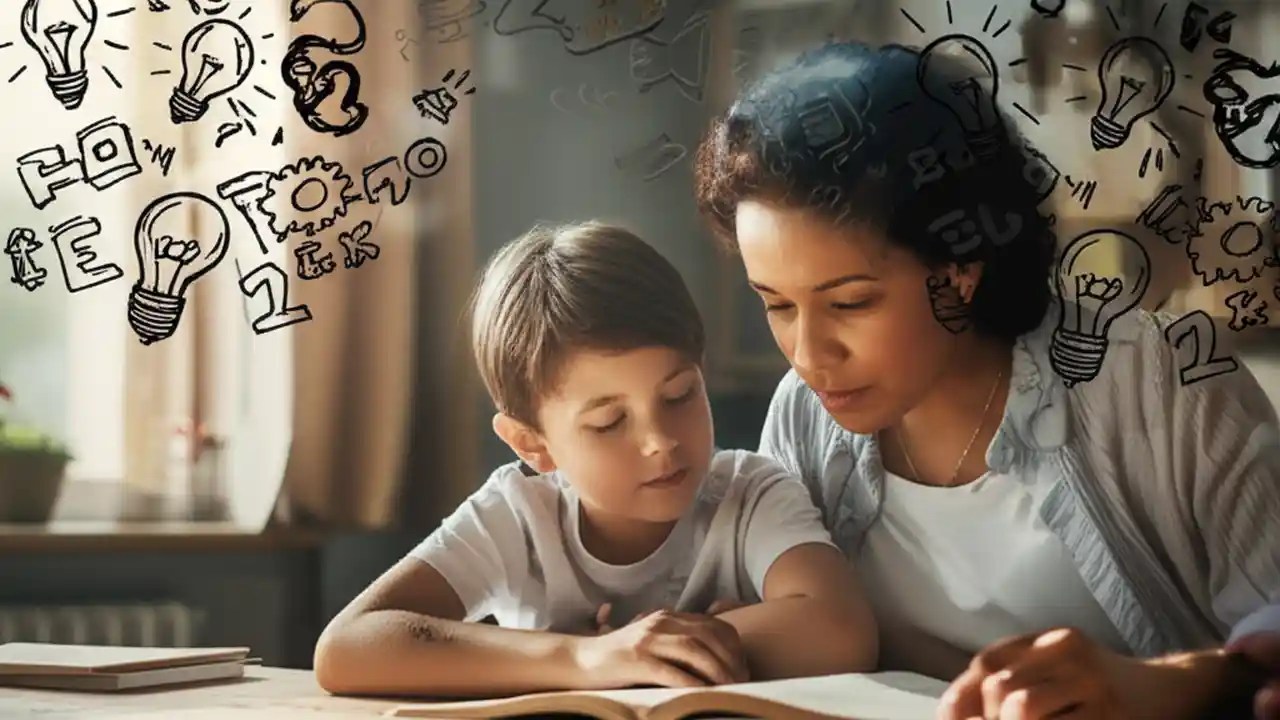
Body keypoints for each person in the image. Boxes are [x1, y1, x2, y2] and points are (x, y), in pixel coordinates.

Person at [693, 40, 1280, 720]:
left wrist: (1162, 686)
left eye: (851, 302)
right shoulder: (803, 416)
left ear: (961, 267)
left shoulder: (1158, 379)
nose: (808, 352)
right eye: (777, 304)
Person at [312, 221, 878, 698]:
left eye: (680, 394)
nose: (660, 440)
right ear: (532, 444)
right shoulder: (516, 517)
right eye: (610, 422)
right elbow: (348, 647)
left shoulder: (750, 493)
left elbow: (842, 628)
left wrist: (660, 646)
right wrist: (590, 658)